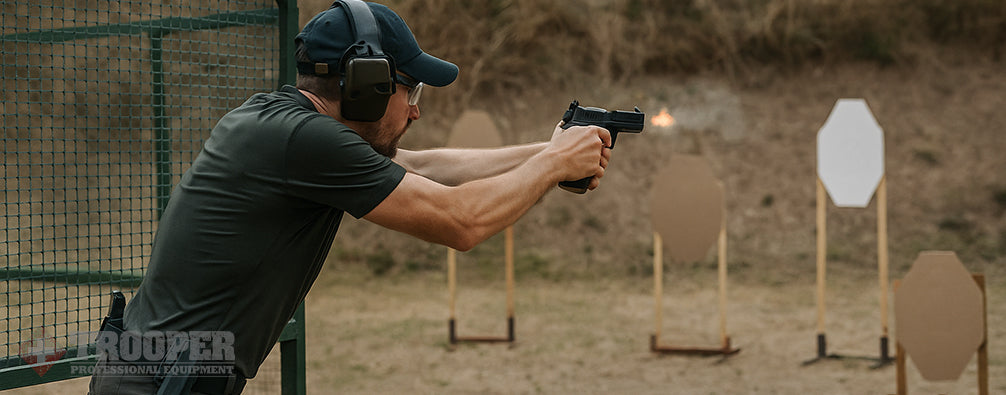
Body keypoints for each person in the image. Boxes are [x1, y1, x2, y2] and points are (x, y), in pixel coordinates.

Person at [87, 1, 611, 394]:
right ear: (369, 84)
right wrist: (557, 164)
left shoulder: (281, 123)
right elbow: (462, 222)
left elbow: (424, 166)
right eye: (412, 90)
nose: (415, 111)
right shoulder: (303, 139)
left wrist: (551, 147)